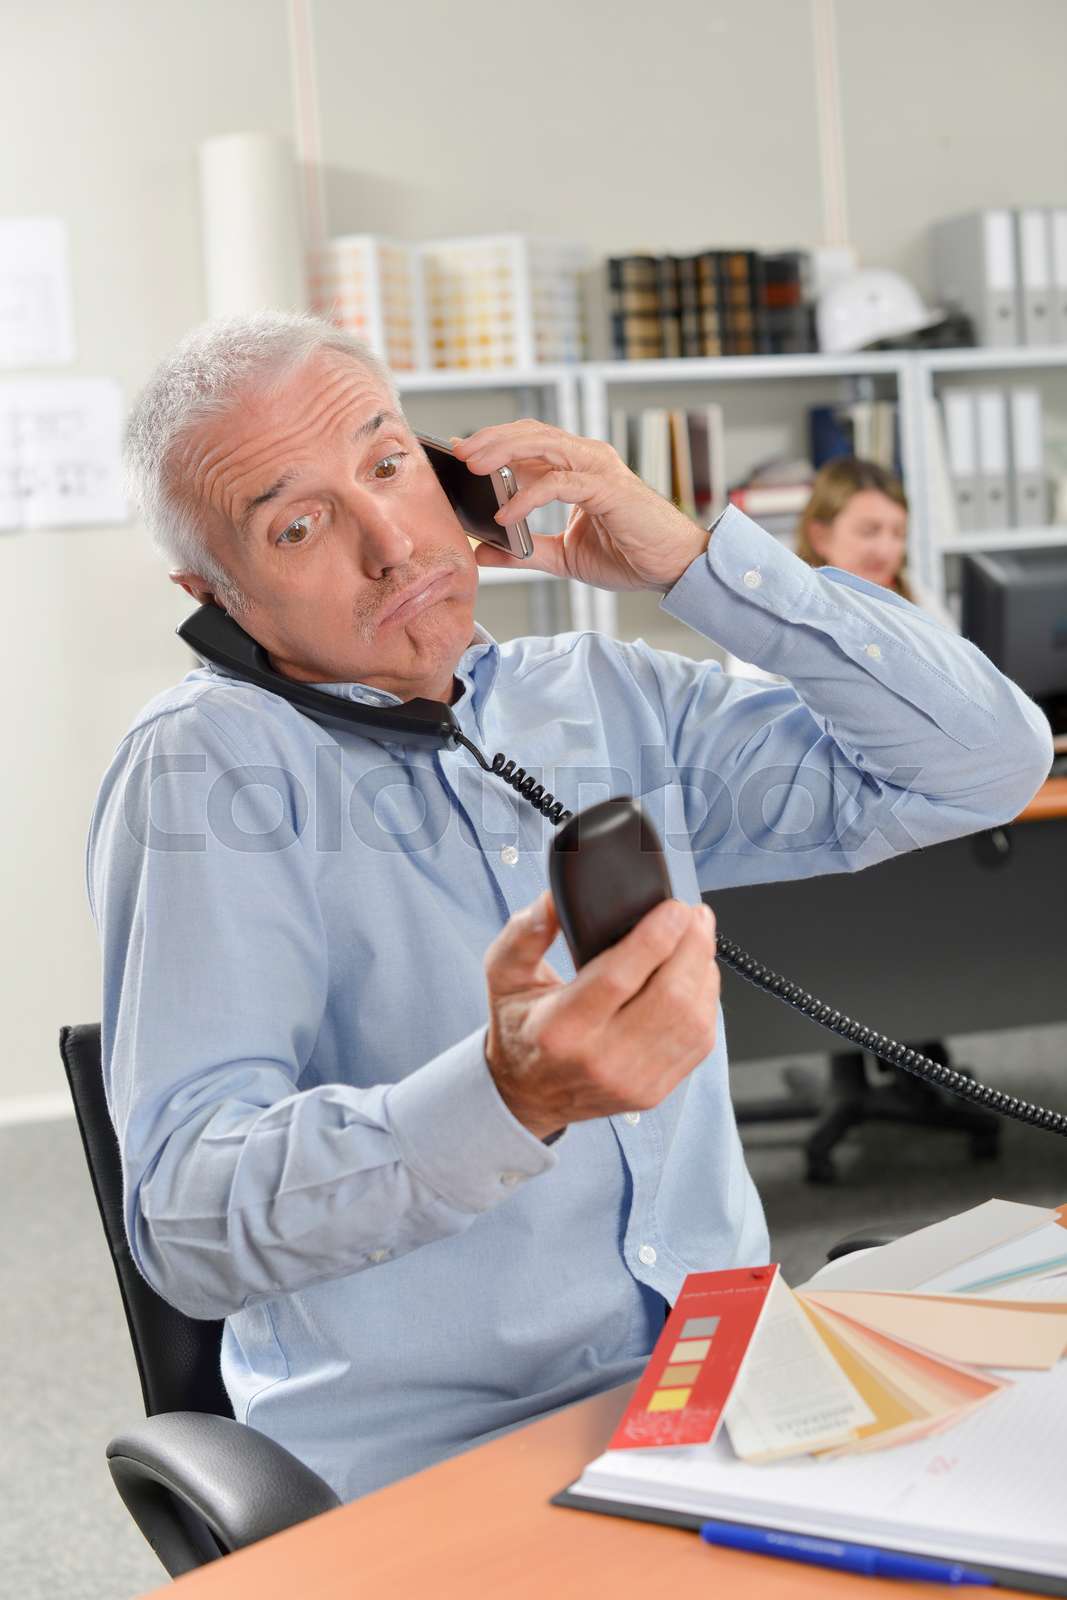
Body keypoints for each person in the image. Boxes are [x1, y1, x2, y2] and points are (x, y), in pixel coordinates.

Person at [86, 311, 1052, 1505]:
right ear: (217, 595)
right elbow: (185, 1220)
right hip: (452, 1464)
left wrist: (694, 564)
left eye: (390, 466)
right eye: (298, 525)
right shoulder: (203, 770)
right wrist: (504, 1097)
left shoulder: (596, 696)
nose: (390, 544)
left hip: (735, 1404)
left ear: (455, 477)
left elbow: (981, 763)